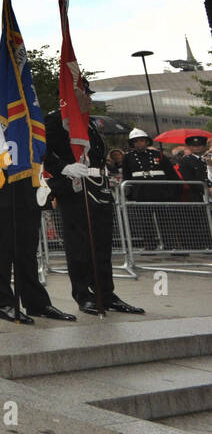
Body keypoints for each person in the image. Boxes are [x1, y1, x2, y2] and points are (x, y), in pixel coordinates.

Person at [0, 67, 76, 324]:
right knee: (2, 248)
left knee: (27, 248)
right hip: (1, 185)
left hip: (27, 184)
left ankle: (36, 302)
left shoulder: (28, 116)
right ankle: (3, 302)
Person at [44, 100, 145, 315]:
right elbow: (43, 151)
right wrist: (63, 167)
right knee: (79, 245)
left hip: (99, 186)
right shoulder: (55, 120)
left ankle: (105, 293)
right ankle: (83, 294)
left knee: (102, 244)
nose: (87, 98)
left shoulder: (88, 121)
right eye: (82, 93)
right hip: (74, 186)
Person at [122, 128, 178, 202]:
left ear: (147, 142)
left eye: (141, 140)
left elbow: (170, 173)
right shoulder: (128, 157)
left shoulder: (158, 155)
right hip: (140, 192)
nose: (139, 143)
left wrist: (174, 190)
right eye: (135, 141)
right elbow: (126, 175)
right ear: (132, 144)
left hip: (161, 191)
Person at [175, 135, 210, 201]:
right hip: (198, 195)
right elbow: (189, 179)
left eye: (200, 145)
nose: (197, 147)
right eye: (193, 145)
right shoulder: (185, 161)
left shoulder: (209, 158)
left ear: (204, 146)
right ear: (189, 147)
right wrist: (206, 190)